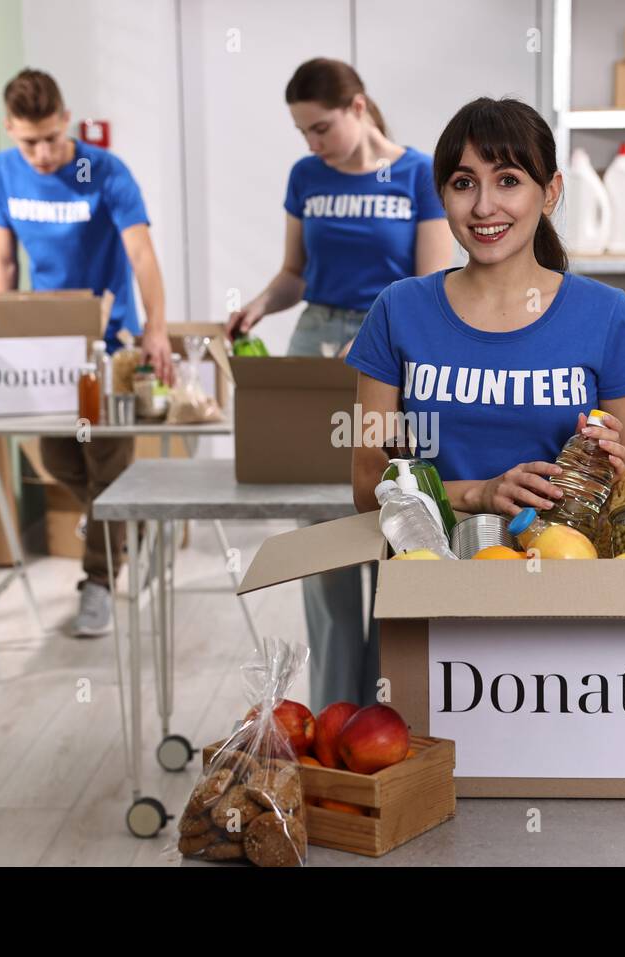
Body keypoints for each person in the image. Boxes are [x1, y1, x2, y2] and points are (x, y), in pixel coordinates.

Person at [227, 58, 451, 711]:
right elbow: (294, 272)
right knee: (317, 524)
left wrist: (378, 337)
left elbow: (428, 285)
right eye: (302, 133)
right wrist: (261, 304)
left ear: (357, 107)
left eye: (321, 128)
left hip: (391, 345)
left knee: (389, 509)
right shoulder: (307, 177)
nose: (312, 145)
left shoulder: (417, 173)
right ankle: (333, 707)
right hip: (315, 341)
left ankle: (388, 702)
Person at [346, 96, 625, 533]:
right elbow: (366, 487)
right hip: (434, 570)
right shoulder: (398, 310)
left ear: (550, 193)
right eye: (463, 183)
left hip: (566, 570)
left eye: (508, 180)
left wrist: (612, 469)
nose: (483, 207)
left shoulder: (606, 314)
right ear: (443, 194)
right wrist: (480, 493)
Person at [0, 68, 172, 637]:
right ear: (9, 130)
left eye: (49, 137)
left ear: (66, 119)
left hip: (108, 341)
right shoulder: (2, 172)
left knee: (108, 467)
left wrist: (155, 330)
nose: (41, 153)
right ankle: (129, 521)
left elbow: (141, 255)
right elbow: (4, 260)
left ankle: (96, 583)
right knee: (61, 461)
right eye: (28, 141)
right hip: (47, 345)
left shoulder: (105, 172)